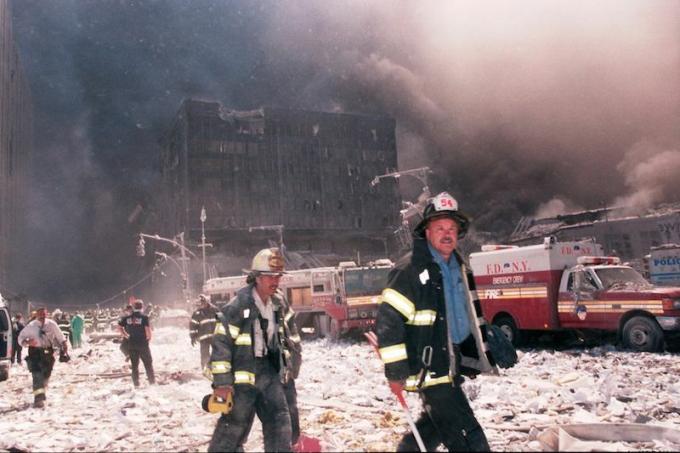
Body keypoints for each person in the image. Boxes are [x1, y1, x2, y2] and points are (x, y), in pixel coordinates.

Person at [375, 192, 497, 452]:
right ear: (427, 232)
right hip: (429, 369)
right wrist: (396, 370)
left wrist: (482, 345)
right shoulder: (409, 270)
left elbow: (462, 316)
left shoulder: (460, 266)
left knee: (431, 430)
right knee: (468, 437)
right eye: (440, 227)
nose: (447, 233)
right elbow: (389, 322)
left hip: (450, 365)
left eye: (452, 228)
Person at [207, 247, 297, 452]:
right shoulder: (239, 304)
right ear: (256, 277)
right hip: (242, 380)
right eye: (270, 276)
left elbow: (289, 336)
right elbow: (221, 343)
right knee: (233, 428)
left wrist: (291, 366)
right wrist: (222, 383)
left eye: (278, 276)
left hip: (269, 373)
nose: (275, 281)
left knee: (280, 421)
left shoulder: (278, 302)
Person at [17, 308, 69, 408]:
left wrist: (64, 344)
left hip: (48, 352)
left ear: (47, 315)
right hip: (35, 353)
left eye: (44, 315)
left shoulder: (51, 324)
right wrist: (27, 342)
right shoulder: (31, 326)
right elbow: (20, 338)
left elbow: (60, 335)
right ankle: (38, 399)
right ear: (37, 315)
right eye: (40, 315)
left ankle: (42, 391)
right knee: (37, 375)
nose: (42, 317)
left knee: (46, 374)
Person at [117, 299, 155, 387]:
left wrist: (126, 335)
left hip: (132, 343)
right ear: (142, 307)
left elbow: (119, 327)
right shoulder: (144, 317)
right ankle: (152, 382)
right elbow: (147, 331)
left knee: (134, 365)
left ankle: (136, 384)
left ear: (134, 307)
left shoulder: (127, 318)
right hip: (142, 343)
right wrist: (148, 338)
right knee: (148, 363)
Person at [190, 294, 217, 369]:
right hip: (204, 338)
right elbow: (193, 326)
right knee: (205, 355)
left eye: (202, 304)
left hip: (215, 337)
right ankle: (206, 369)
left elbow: (221, 321)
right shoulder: (197, 313)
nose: (200, 306)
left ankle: (216, 368)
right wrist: (193, 337)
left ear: (206, 302)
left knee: (217, 353)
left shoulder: (215, 310)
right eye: (199, 305)